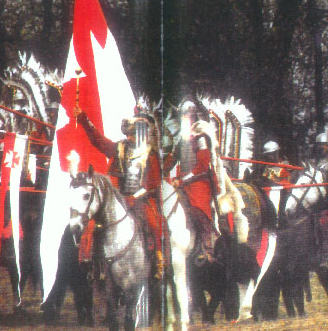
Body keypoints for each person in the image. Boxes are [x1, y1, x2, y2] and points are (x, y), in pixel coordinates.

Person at [74, 105, 166, 279]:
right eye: (128, 134)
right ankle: (91, 261)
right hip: (119, 198)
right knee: (94, 222)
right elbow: (98, 141)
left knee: (154, 223)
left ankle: (159, 260)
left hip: (142, 199)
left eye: (133, 134)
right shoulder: (119, 148)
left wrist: (134, 197)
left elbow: (152, 184)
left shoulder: (150, 154)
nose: (129, 137)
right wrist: (84, 121)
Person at [163, 100, 220, 265]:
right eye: (183, 115)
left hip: (199, 182)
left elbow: (202, 166)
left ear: (193, 116)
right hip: (182, 181)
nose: (185, 118)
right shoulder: (181, 139)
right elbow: (172, 160)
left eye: (187, 115)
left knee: (198, 209)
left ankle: (207, 246)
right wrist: (160, 171)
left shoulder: (201, 138)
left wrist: (182, 180)